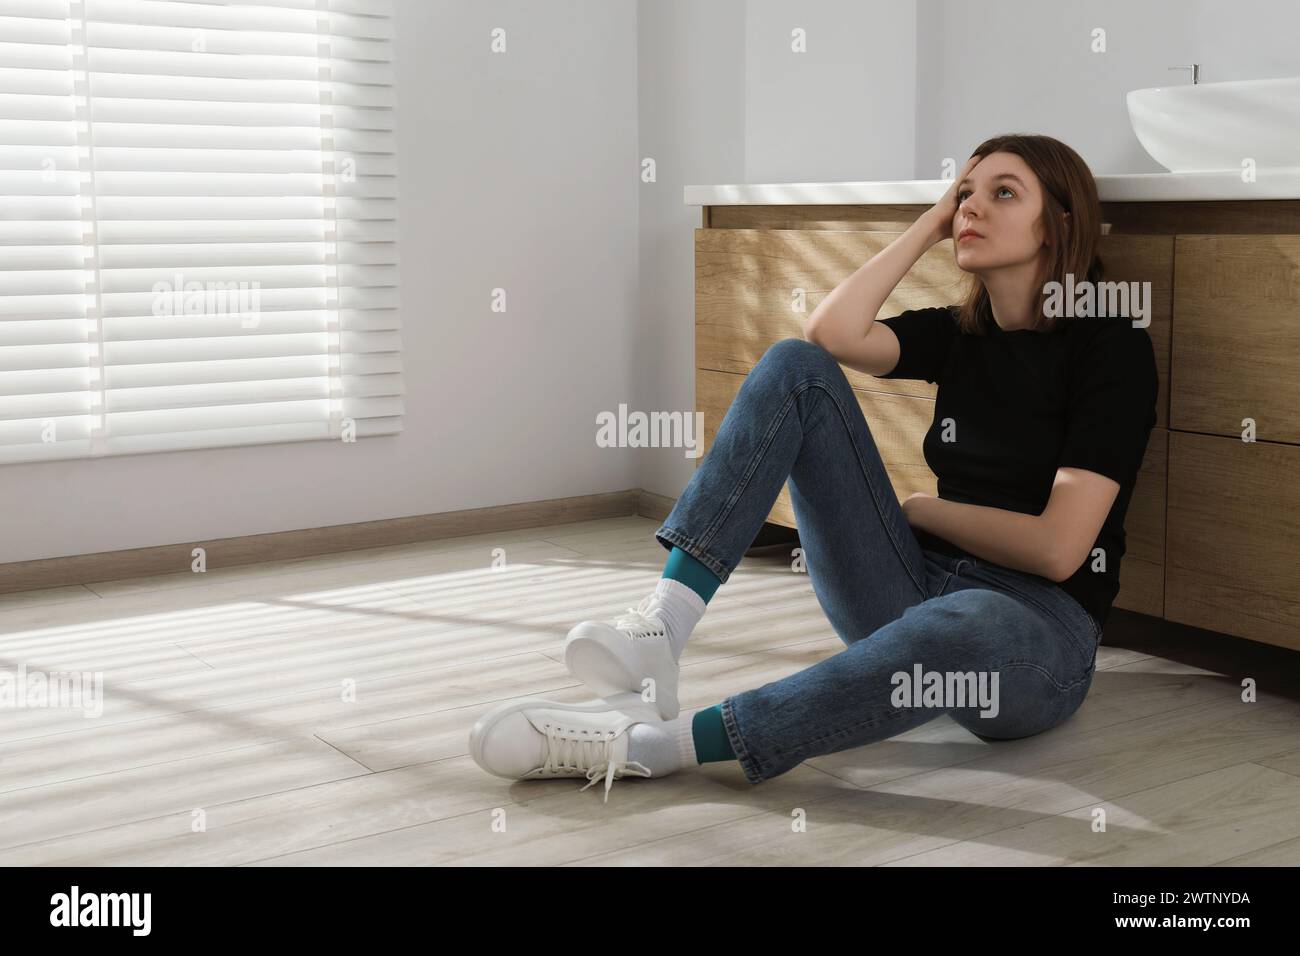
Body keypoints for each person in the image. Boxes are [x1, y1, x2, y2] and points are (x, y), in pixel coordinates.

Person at [470, 134, 1159, 802]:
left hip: (1035, 634)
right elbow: (829, 334)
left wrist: (925, 512)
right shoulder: (958, 333)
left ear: (1059, 225)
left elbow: (1059, 549)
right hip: (911, 588)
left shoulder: (1110, 348)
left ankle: (657, 748)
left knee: (971, 616)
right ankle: (664, 626)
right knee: (795, 369)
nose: (970, 208)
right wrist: (927, 225)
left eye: (1002, 193)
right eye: (963, 193)